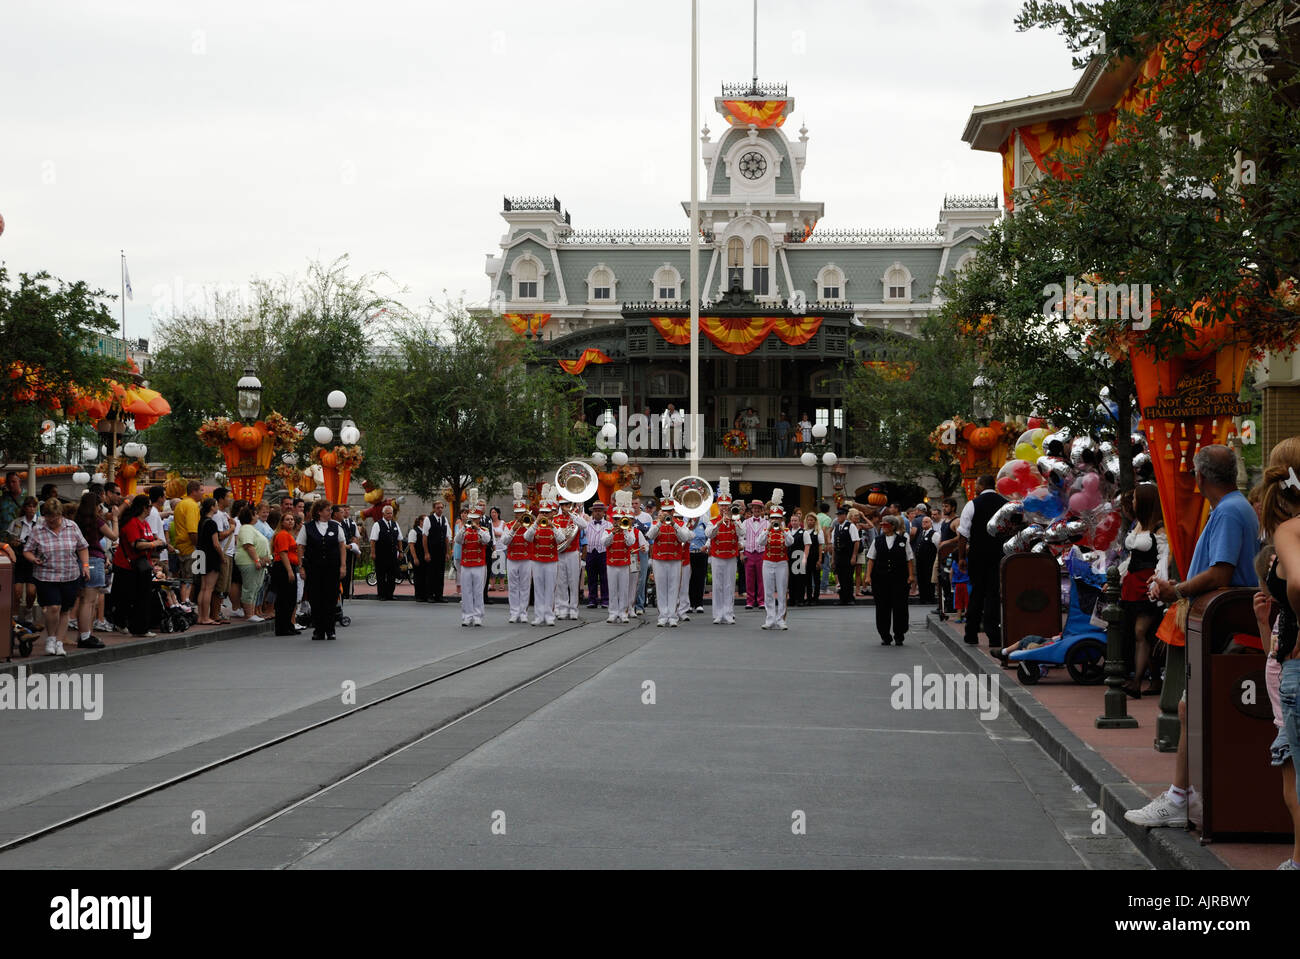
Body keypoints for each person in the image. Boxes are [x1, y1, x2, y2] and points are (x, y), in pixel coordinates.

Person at [1125, 444, 1261, 830]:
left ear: (1201, 478)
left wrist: (1176, 590)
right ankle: (1188, 794)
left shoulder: (1231, 512)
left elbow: (1220, 573)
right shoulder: (1232, 509)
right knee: (1190, 709)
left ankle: (1182, 797)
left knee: (1194, 708)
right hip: (1221, 624)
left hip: (1224, 625)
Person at [1248, 437, 1300, 868]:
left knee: (1294, 772)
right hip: (1282, 662)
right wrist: (1268, 624)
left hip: (1291, 670)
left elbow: (1296, 586)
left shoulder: (1288, 533)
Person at [1119, 483, 1169, 698]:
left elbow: (1164, 559)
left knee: (1141, 632)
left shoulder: (1160, 528)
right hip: (1132, 584)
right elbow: (1130, 558)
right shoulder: (1139, 524)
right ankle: (1155, 679)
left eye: (1137, 498)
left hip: (1147, 585)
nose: (1133, 502)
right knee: (1142, 634)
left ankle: (1136, 682)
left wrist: (1159, 583)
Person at [24, 497, 90, 657]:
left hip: (70, 574)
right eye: (48, 517)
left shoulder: (72, 526)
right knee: (53, 607)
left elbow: (82, 547)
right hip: (46, 575)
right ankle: (51, 638)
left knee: (65, 610)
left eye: (55, 517)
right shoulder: (38, 530)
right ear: (44, 515)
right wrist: (33, 559)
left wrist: (86, 566)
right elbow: (27, 550)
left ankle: (59, 642)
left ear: (61, 514)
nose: (52, 521)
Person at [957, 474, 1009, 652]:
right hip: (999, 555)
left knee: (977, 593)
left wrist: (961, 557)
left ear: (980, 485)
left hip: (978, 555)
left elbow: (963, 534)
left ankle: (971, 633)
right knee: (993, 594)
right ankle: (994, 635)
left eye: (976, 483)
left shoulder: (972, 504)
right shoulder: (1005, 503)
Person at [115, 494, 165, 638]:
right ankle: (135, 626)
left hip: (143, 565)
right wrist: (153, 544)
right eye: (149, 506)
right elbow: (135, 544)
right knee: (133, 598)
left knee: (142, 597)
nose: (151, 509)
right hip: (129, 566)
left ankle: (137, 625)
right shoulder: (132, 523)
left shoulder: (144, 523)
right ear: (144, 507)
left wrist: (160, 543)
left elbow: (151, 539)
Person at [73, 492, 115, 646]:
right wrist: (115, 519)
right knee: (89, 601)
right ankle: (85, 636)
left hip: (79, 559)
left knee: (84, 598)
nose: (100, 508)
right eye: (99, 505)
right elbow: (114, 536)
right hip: (94, 559)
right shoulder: (96, 521)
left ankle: (84, 633)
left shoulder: (77, 521)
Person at [647, 480, 691, 627]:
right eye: (665, 510)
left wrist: (673, 523)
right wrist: (660, 522)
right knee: (661, 587)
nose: (667, 513)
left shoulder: (679, 524)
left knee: (673, 588)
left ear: (673, 511)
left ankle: (672, 616)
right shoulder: (656, 523)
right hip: (659, 559)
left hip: (675, 559)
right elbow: (650, 536)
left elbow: (684, 538)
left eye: (669, 511)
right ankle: (662, 616)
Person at [868, 514, 916, 646]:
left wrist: (911, 575)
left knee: (900, 606)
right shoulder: (877, 540)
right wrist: (868, 576)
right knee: (882, 607)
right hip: (880, 579)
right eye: (882, 525)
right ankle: (885, 635)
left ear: (893, 526)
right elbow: (871, 559)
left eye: (886, 525)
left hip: (899, 579)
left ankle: (899, 634)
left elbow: (909, 559)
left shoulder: (903, 540)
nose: (883, 527)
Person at [525, 485, 568, 626]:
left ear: (551, 513)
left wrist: (552, 525)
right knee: (538, 588)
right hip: (537, 561)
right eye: (542, 512)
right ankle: (538, 615)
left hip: (550, 561)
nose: (544, 514)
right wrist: (536, 523)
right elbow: (527, 537)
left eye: (546, 512)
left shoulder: (555, 524)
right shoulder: (535, 525)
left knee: (550, 588)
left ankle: (549, 615)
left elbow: (562, 538)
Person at [302, 500, 345, 640]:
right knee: (315, 598)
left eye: (330, 510)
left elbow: (342, 546)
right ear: (319, 512)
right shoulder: (307, 527)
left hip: (332, 568)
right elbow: (301, 546)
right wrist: (301, 566)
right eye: (327, 510)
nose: (330, 512)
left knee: (331, 598)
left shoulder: (336, 526)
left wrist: (342, 566)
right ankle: (318, 629)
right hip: (314, 568)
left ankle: (330, 629)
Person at [603, 490, 642, 624]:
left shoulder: (629, 531)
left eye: (620, 519)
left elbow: (631, 542)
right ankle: (613, 613)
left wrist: (625, 530)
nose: (618, 521)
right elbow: (605, 543)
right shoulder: (608, 531)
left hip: (624, 564)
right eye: (616, 519)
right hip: (612, 564)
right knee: (613, 589)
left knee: (624, 590)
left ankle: (623, 612)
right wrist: (613, 533)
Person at [758, 490, 794, 630]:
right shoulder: (767, 530)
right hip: (767, 562)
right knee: (768, 591)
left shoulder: (785, 530)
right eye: (773, 518)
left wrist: (784, 529)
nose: (775, 520)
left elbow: (790, 542)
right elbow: (760, 542)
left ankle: (780, 619)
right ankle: (770, 619)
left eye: (777, 518)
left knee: (781, 590)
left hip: (781, 563)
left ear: (781, 519)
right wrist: (768, 529)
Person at [706, 479, 740, 624]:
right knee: (718, 585)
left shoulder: (736, 520)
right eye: (722, 506)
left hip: (731, 556)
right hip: (717, 556)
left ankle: (728, 613)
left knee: (729, 585)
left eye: (727, 506)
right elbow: (709, 534)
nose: (724, 509)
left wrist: (734, 521)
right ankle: (718, 614)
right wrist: (720, 522)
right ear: (718, 506)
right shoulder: (713, 521)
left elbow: (742, 533)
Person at [500, 484, 534, 624]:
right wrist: (513, 529)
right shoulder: (508, 525)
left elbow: (531, 538)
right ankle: (514, 612)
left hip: (526, 559)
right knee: (513, 587)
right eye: (518, 513)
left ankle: (523, 612)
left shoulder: (530, 524)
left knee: (525, 586)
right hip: (513, 559)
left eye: (522, 513)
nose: (520, 516)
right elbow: (504, 542)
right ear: (515, 513)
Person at [234, 504, 270, 624]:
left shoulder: (250, 528)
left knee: (255, 588)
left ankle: (252, 612)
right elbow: (248, 545)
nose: (257, 515)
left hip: (257, 562)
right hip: (249, 562)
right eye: (255, 513)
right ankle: (249, 614)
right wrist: (257, 560)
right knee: (250, 588)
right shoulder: (246, 528)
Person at [552, 501, 588, 620]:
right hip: (560, 553)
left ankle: (573, 609)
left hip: (573, 552)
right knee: (561, 582)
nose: (565, 507)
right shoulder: (555, 518)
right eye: (563, 505)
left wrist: (573, 514)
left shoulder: (575, 517)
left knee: (573, 582)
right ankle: (563, 608)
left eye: (567, 504)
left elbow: (584, 525)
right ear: (560, 506)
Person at [169, 480, 202, 604]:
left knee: (184, 578)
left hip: (181, 547)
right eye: (201, 490)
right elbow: (193, 531)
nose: (202, 493)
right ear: (194, 491)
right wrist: (198, 546)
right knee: (190, 579)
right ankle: (186, 602)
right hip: (190, 547)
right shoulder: (192, 505)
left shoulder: (181, 504)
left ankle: (185, 602)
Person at [194, 498, 225, 625]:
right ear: (212, 507)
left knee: (203, 587)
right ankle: (206, 617)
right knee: (209, 589)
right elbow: (216, 544)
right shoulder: (211, 523)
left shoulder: (201, 521)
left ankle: (201, 616)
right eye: (216, 505)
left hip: (201, 554)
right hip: (211, 556)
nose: (217, 507)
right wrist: (222, 557)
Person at [270, 511, 301, 635]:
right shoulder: (282, 535)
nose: (290, 521)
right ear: (282, 523)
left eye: (292, 519)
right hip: (283, 567)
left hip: (289, 566)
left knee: (290, 598)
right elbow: (283, 553)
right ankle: (282, 627)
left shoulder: (289, 534)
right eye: (287, 519)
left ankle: (288, 625)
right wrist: (289, 571)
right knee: (284, 598)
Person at [7, 494, 38, 617]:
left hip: (34, 558)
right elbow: (9, 539)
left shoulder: (41, 523)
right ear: (24, 508)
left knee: (31, 591)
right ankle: (14, 615)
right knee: (17, 591)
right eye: (29, 506)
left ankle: (28, 611)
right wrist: (13, 542)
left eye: (33, 506)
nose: (31, 509)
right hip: (19, 556)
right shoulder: (16, 523)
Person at [369, 505, 402, 600]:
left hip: (392, 554)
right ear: (383, 514)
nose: (389, 515)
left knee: (392, 575)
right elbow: (373, 540)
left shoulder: (395, 524)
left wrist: (401, 551)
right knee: (381, 575)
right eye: (387, 513)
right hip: (381, 554)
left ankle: (390, 594)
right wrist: (373, 553)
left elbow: (399, 539)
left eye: (391, 513)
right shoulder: (377, 524)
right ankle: (381, 594)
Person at [741, 498, 767, 610]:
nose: (756, 510)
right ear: (751, 509)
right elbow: (741, 538)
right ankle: (750, 601)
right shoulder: (745, 522)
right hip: (749, 552)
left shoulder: (767, 522)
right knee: (749, 578)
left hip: (762, 553)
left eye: (758, 508)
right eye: (754, 508)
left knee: (762, 578)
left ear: (761, 510)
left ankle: (761, 601)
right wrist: (741, 552)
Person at [585, 501, 611, 609]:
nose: (597, 513)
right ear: (592, 513)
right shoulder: (587, 525)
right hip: (591, 552)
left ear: (604, 513)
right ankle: (592, 599)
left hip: (603, 552)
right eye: (595, 511)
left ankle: (605, 600)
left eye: (600, 511)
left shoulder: (609, 525)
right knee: (592, 577)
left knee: (604, 577)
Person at [792, 512, 821, 607]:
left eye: (812, 520)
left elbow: (820, 547)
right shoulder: (804, 531)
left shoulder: (818, 532)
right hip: (806, 558)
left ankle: (815, 598)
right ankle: (808, 598)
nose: (810, 522)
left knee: (816, 579)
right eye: (808, 520)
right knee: (806, 579)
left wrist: (820, 559)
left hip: (815, 557)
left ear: (815, 521)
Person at [831, 506, 860, 605]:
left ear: (844, 516)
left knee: (848, 577)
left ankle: (850, 598)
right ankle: (842, 598)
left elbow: (856, 542)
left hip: (848, 555)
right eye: (837, 515)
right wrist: (833, 559)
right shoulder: (836, 528)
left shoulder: (851, 526)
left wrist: (854, 556)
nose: (838, 517)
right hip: (839, 555)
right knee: (841, 577)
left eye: (840, 515)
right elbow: (834, 544)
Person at [426, 501, 449, 603]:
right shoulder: (428, 519)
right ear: (434, 509)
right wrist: (426, 553)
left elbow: (447, 537)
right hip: (432, 551)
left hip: (441, 551)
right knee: (431, 573)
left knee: (440, 574)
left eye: (441, 507)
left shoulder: (444, 519)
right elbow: (424, 537)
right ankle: (430, 595)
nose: (440, 509)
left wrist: (447, 552)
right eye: (438, 507)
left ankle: (439, 595)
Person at [913, 515, 937, 606]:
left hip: (929, 562)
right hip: (920, 562)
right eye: (923, 522)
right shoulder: (921, 533)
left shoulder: (934, 534)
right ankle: (922, 598)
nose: (924, 523)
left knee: (929, 580)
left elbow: (938, 547)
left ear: (931, 523)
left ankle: (930, 598)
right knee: (921, 579)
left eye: (926, 522)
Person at [687, 514, 709, 613]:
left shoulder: (704, 519)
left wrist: (706, 546)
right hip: (689, 553)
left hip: (701, 552)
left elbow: (709, 535)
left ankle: (699, 603)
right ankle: (690, 603)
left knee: (700, 578)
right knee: (690, 578)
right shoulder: (685, 519)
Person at [407, 513, 428, 602]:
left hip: (425, 557)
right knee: (418, 577)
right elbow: (411, 545)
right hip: (418, 556)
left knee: (425, 577)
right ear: (420, 521)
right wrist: (415, 558)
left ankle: (425, 595)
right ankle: (418, 595)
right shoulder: (414, 531)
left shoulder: (426, 531)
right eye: (425, 520)